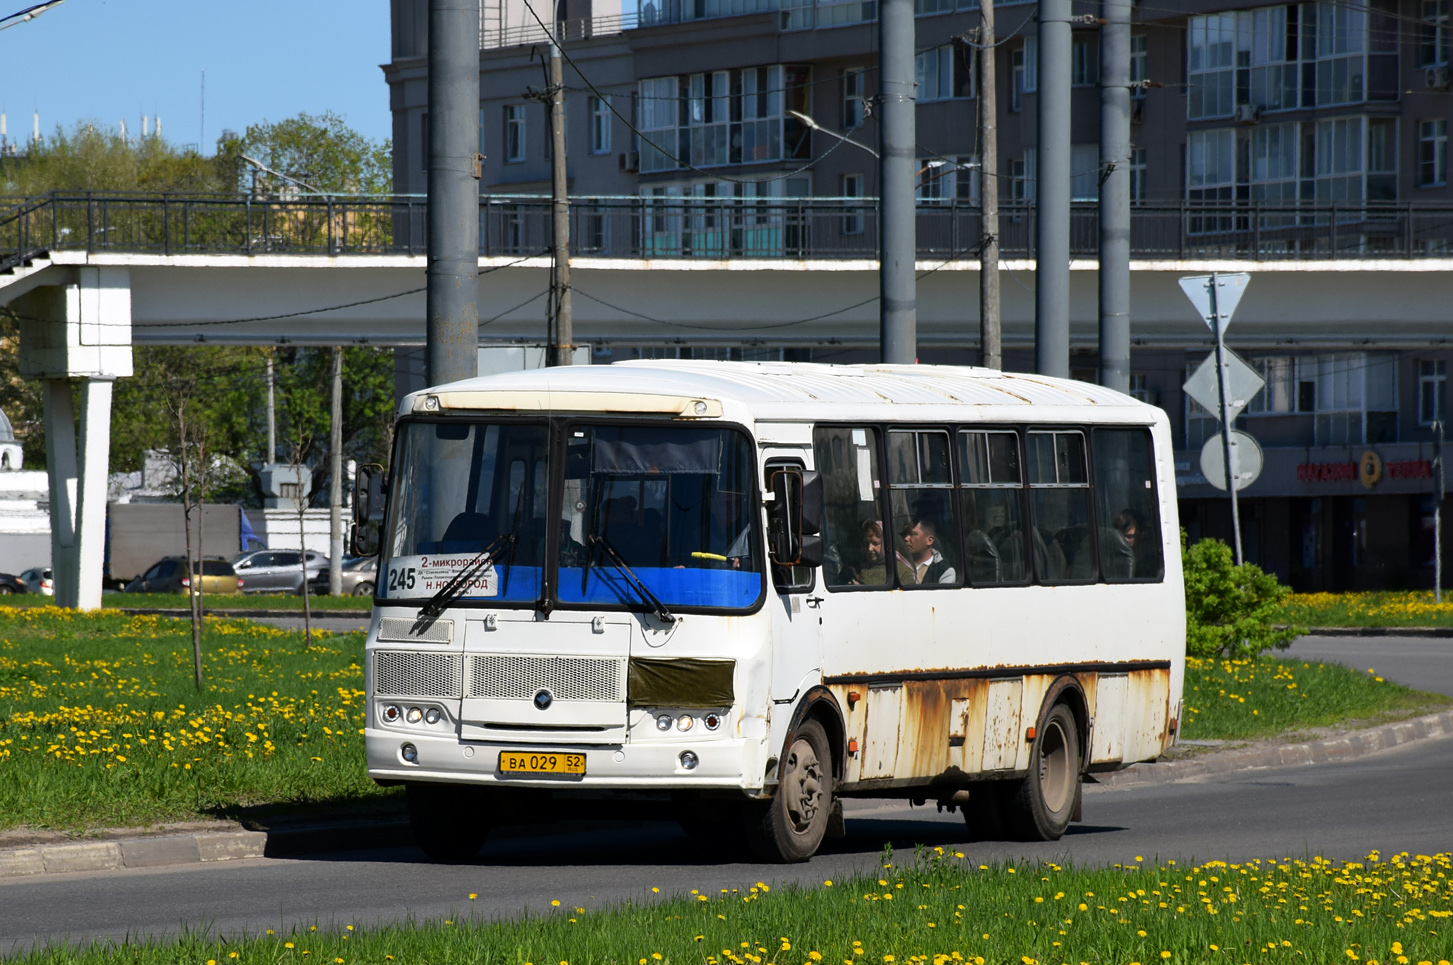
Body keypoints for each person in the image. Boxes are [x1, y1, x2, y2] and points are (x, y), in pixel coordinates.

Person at [898, 514, 956, 584]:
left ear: (929, 540)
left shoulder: (945, 571)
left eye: (912, 534)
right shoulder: (898, 565)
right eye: (906, 534)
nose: (906, 538)